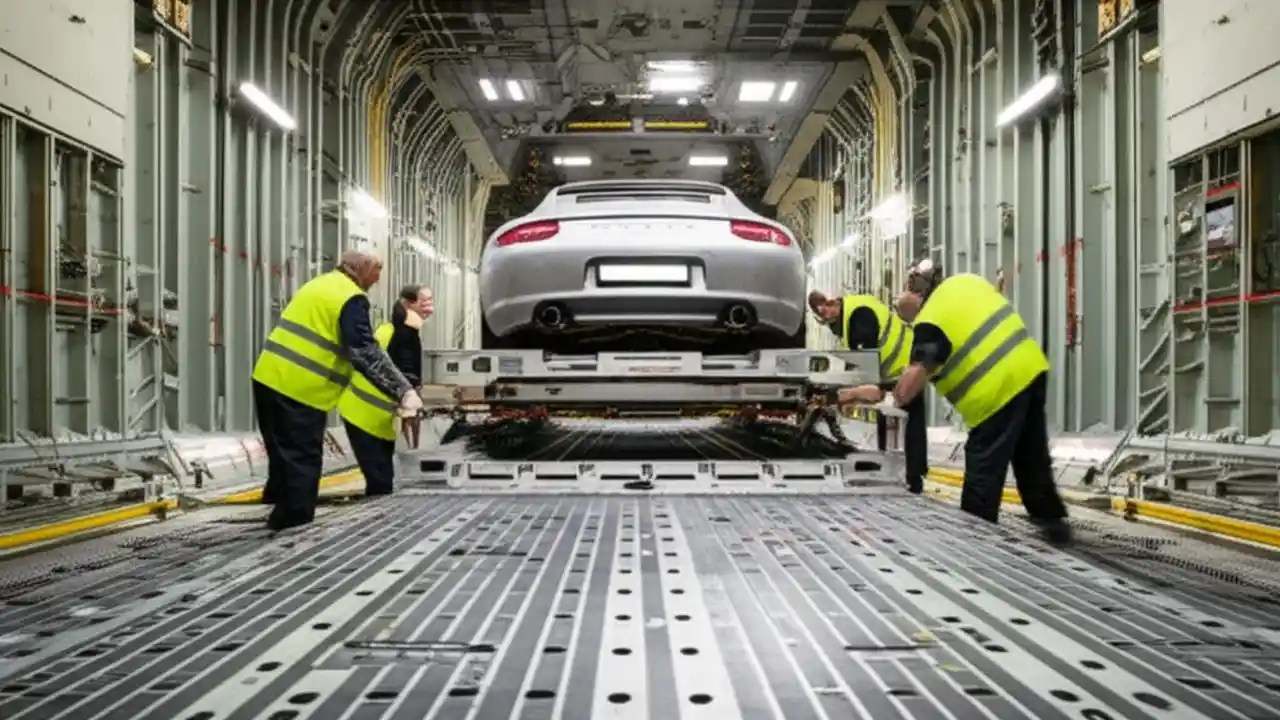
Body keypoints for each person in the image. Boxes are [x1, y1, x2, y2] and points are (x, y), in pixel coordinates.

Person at [882, 268, 1071, 545]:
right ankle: (1053, 523)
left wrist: (893, 396)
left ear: (918, 295)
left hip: (995, 389)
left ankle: (975, 537)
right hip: (1030, 368)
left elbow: (914, 379)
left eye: (904, 297)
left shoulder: (931, 318)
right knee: (1030, 456)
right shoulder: (965, 281)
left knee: (983, 466)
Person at [251, 250, 422, 531]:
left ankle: (278, 520)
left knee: (284, 461)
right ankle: (293, 533)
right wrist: (403, 391)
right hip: (300, 390)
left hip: (269, 379)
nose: (379, 277)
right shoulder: (351, 298)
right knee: (303, 463)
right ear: (360, 268)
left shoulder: (322, 284)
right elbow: (364, 351)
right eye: (377, 268)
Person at [809, 289, 927, 493]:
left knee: (912, 419)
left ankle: (914, 480)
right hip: (904, 365)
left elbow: (873, 390)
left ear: (832, 303)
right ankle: (914, 477)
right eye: (823, 319)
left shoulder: (859, 319)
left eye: (826, 313)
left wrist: (841, 396)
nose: (828, 321)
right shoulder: (853, 315)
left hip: (909, 365)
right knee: (912, 419)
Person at [336, 285, 433, 494]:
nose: (430, 307)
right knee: (380, 483)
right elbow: (405, 374)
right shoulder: (400, 334)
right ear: (409, 304)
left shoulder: (397, 331)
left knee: (382, 482)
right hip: (363, 414)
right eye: (424, 301)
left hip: (376, 419)